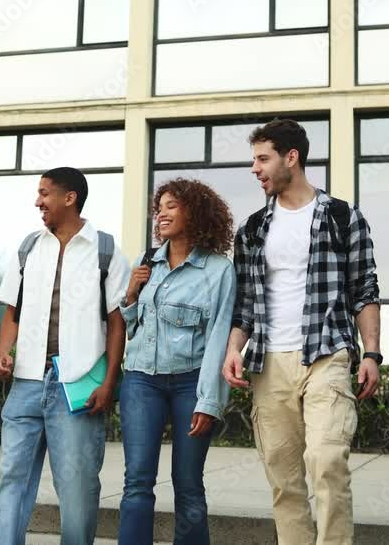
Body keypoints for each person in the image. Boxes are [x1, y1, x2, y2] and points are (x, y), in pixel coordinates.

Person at [222, 119, 383, 545]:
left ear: (291, 158)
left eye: (262, 159)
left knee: (327, 459)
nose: (255, 169)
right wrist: (233, 349)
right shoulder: (252, 229)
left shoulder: (342, 216)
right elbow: (244, 303)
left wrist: (371, 353)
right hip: (268, 360)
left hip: (326, 352)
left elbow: (364, 287)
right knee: (283, 475)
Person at [0, 166, 130, 545]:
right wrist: (4, 352)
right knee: (11, 479)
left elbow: (117, 323)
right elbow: (11, 313)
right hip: (26, 382)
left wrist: (109, 382)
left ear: (70, 198)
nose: (38, 201)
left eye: (45, 193)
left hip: (77, 384)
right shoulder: (29, 247)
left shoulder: (106, 250)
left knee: (78, 485)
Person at [117, 178, 237, 545]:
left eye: (172, 206)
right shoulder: (145, 260)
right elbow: (133, 327)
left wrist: (210, 400)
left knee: (187, 483)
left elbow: (219, 337)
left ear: (195, 212)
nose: (162, 214)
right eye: (159, 207)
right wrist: (131, 294)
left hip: (190, 383)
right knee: (137, 480)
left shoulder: (218, 270)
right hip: (140, 380)